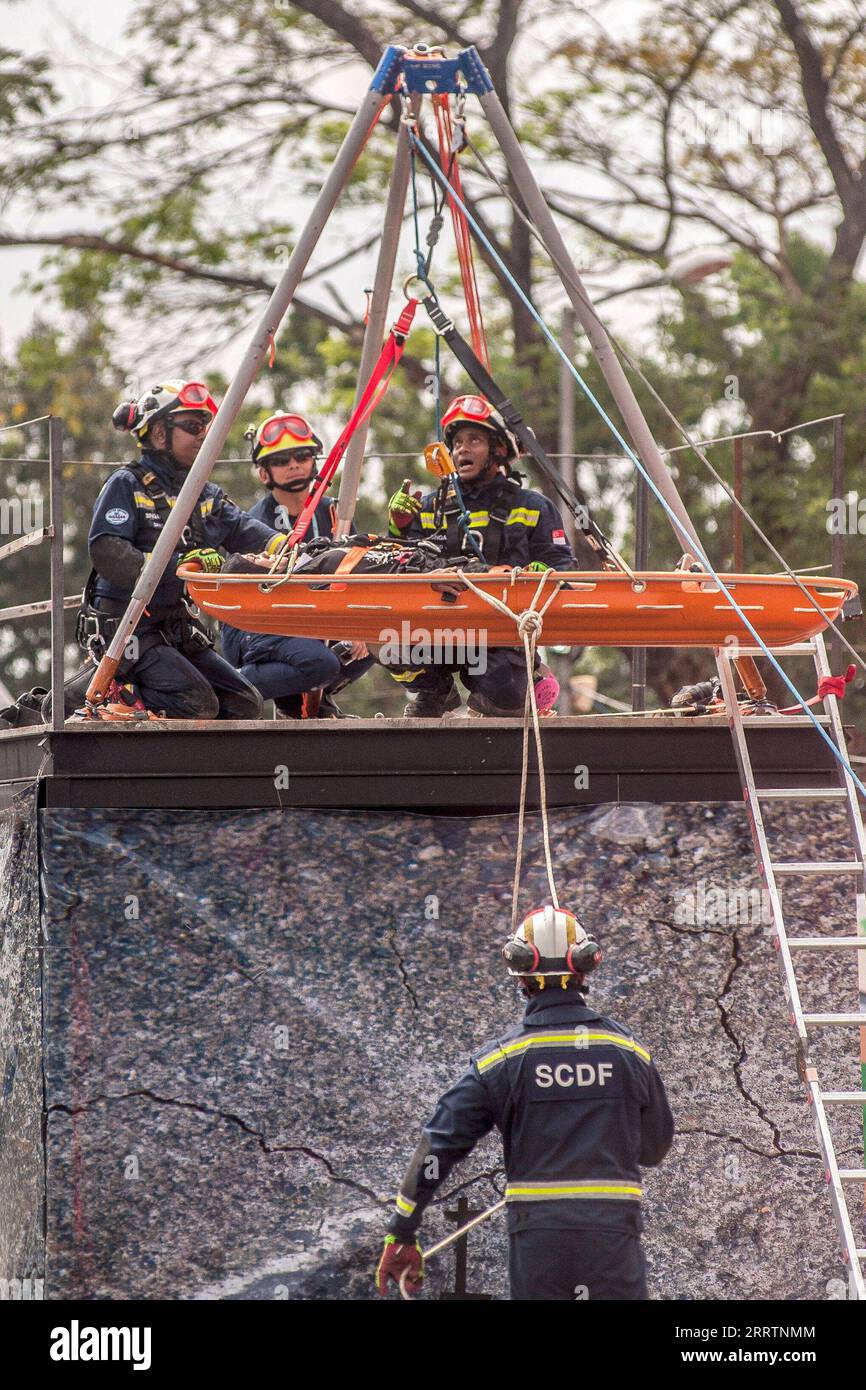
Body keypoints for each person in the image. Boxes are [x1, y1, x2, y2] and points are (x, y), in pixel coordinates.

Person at [376, 904, 674, 1301]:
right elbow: (654, 1150)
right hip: (612, 1234)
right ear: (585, 967)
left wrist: (402, 1232)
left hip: (538, 1241)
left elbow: (439, 1145)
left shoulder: (500, 1061)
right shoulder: (629, 1052)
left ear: (520, 972)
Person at [52, 379, 285, 722]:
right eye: (193, 426)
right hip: (130, 631)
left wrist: (289, 548)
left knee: (245, 703)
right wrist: (178, 566)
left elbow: (244, 530)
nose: (203, 435)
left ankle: (201, 773)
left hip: (175, 629)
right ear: (159, 433)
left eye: (206, 426)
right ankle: (113, 696)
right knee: (198, 703)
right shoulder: (126, 484)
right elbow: (106, 550)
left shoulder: (204, 493)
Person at [385, 395, 579, 717]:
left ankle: (509, 688)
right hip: (440, 629)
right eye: (457, 442)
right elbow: (401, 564)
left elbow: (562, 570)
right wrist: (398, 528)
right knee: (388, 640)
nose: (462, 448)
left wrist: (539, 572)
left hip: (499, 632)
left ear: (499, 450)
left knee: (507, 692)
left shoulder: (532, 506)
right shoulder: (431, 506)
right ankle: (435, 692)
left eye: (474, 439)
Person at [219, 413, 373, 718]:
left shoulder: (336, 515)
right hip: (257, 626)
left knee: (377, 640)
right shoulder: (252, 524)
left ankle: (308, 700)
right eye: (281, 460)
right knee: (318, 660)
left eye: (302, 456)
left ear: (314, 462)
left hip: (312, 621)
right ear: (264, 473)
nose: (293, 465)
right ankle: (228, 686)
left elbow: (355, 574)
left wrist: (360, 629)